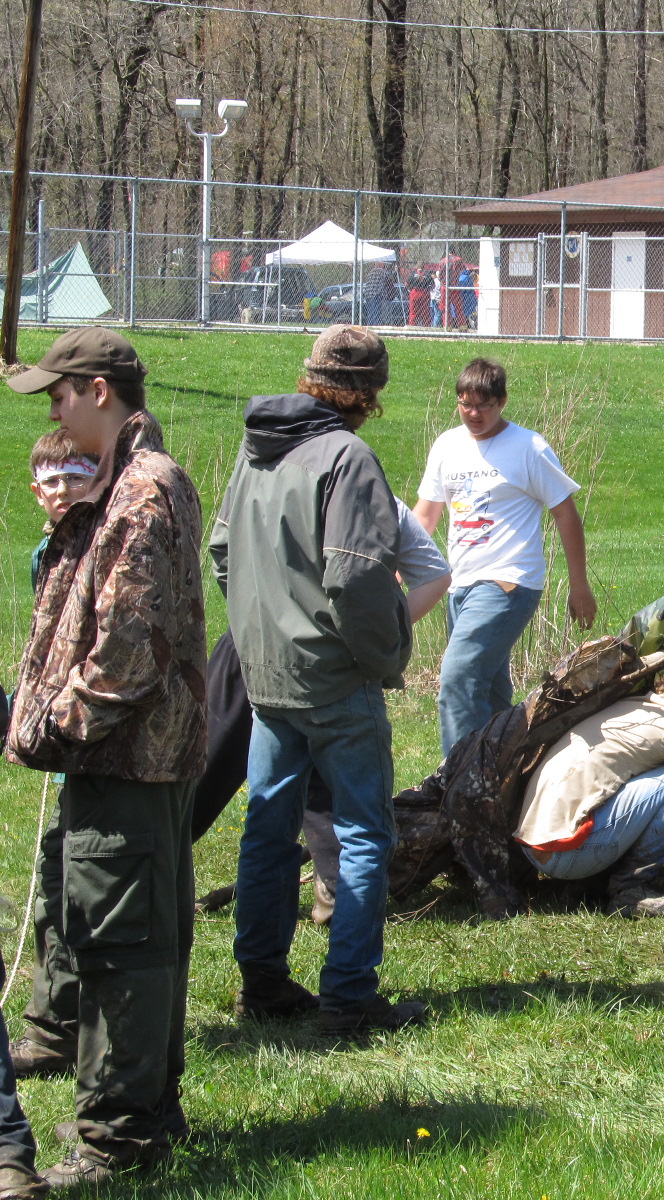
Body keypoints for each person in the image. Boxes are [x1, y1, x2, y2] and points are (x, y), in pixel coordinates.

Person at [5, 328, 207, 1188]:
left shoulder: (142, 494)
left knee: (118, 946)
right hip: (132, 761)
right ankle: (150, 1117)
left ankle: (118, 1140)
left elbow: (128, 652)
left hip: (125, 758)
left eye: (56, 395)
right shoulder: (125, 485)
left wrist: (46, 725)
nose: (50, 409)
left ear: (97, 391)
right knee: (144, 939)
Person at [210, 324, 422, 1035]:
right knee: (364, 833)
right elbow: (358, 578)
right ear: (368, 395)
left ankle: (263, 981)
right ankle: (350, 995)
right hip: (334, 682)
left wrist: (259, 625)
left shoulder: (257, 450)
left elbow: (220, 551)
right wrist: (384, 657)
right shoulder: (346, 457)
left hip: (265, 677)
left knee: (268, 831)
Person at [190, 496, 450, 927]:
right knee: (219, 763)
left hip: (265, 647)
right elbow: (435, 575)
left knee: (289, 773)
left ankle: (332, 892)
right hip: (308, 659)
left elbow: (222, 549)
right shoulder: (372, 494)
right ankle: (332, 892)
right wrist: (377, 638)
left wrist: (261, 615)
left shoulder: (272, 478)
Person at [414, 357, 597, 759]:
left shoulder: (529, 448)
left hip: (508, 583)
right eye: (465, 404)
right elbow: (426, 515)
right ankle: (510, 778)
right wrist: (397, 567)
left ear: (503, 402)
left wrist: (579, 585)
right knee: (493, 693)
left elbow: (565, 514)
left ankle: (458, 784)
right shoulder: (447, 445)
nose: (474, 413)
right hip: (460, 584)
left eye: (484, 405)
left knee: (458, 680)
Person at [514, 658, 664, 916]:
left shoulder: (630, 706)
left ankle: (589, 883)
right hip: (566, 854)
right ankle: (633, 889)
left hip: (534, 846)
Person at [26, 431, 98, 590]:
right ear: (38, 493)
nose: (62, 491)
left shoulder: (114, 541)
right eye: (50, 481)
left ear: (98, 483)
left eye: (75, 478)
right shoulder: (43, 553)